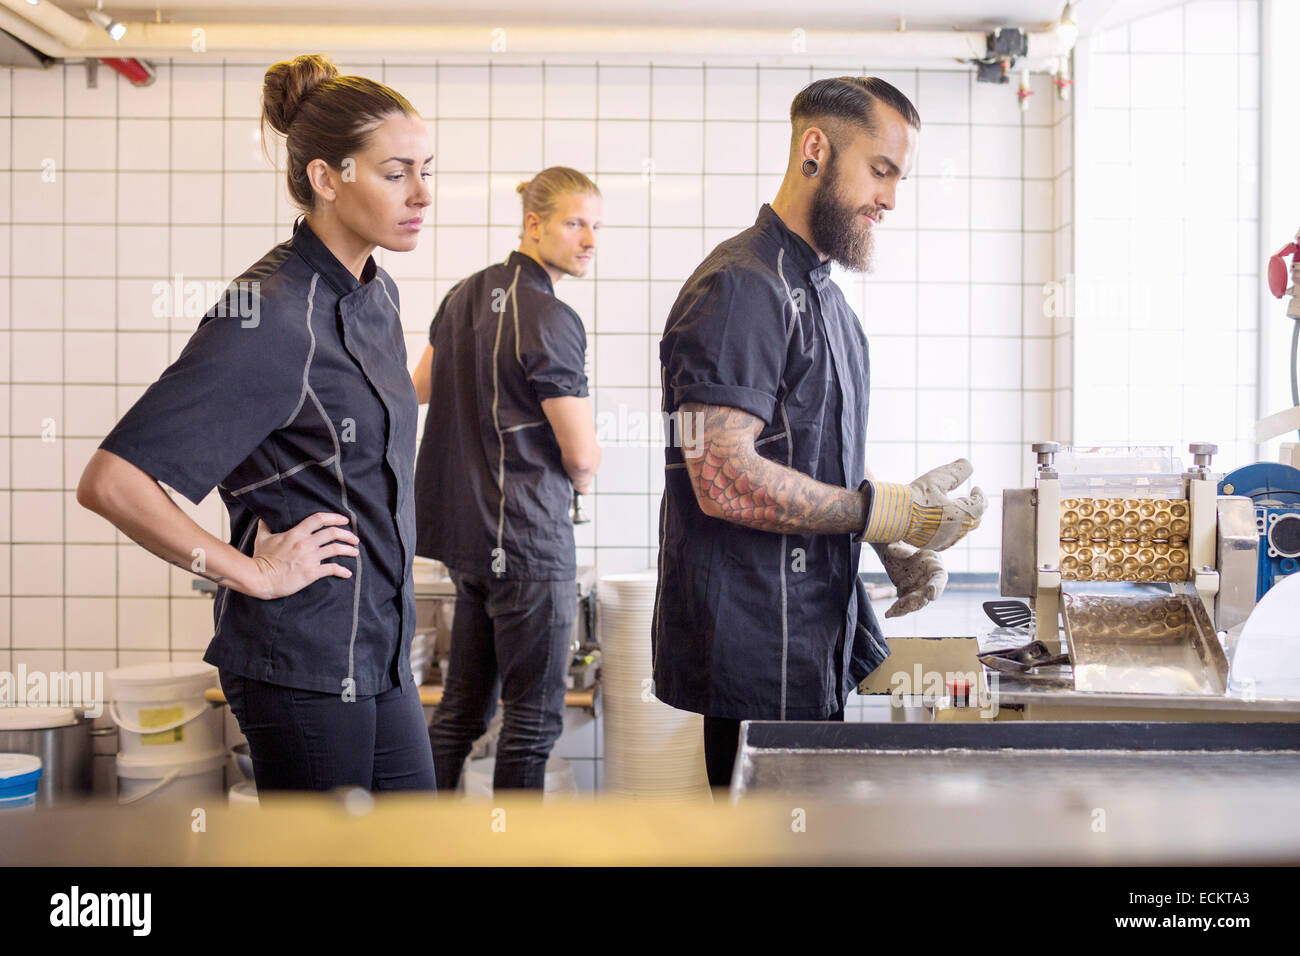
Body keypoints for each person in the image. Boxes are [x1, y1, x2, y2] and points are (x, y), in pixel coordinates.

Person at [76, 54, 437, 792]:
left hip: (382, 651)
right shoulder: (268, 315)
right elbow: (112, 482)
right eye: (396, 172)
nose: (422, 193)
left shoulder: (380, 295)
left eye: (426, 168)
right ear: (326, 179)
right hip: (303, 662)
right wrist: (248, 573)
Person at [653, 76, 987, 789]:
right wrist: (878, 512)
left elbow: (806, 469)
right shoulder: (742, 287)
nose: (891, 199)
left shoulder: (831, 305)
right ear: (816, 150)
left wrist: (885, 541)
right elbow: (720, 479)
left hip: (814, 648)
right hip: (756, 656)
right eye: (881, 170)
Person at [411, 167, 602, 792]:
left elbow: (418, 388)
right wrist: (587, 475)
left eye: (595, 227)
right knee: (532, 721)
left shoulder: (463, 295)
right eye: (575, 223)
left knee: (462, 711)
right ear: (534, 224)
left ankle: (420, 847)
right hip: (525, 543)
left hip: (469, 548)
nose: (589, 240)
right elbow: (581, 455)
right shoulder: (550, 316)